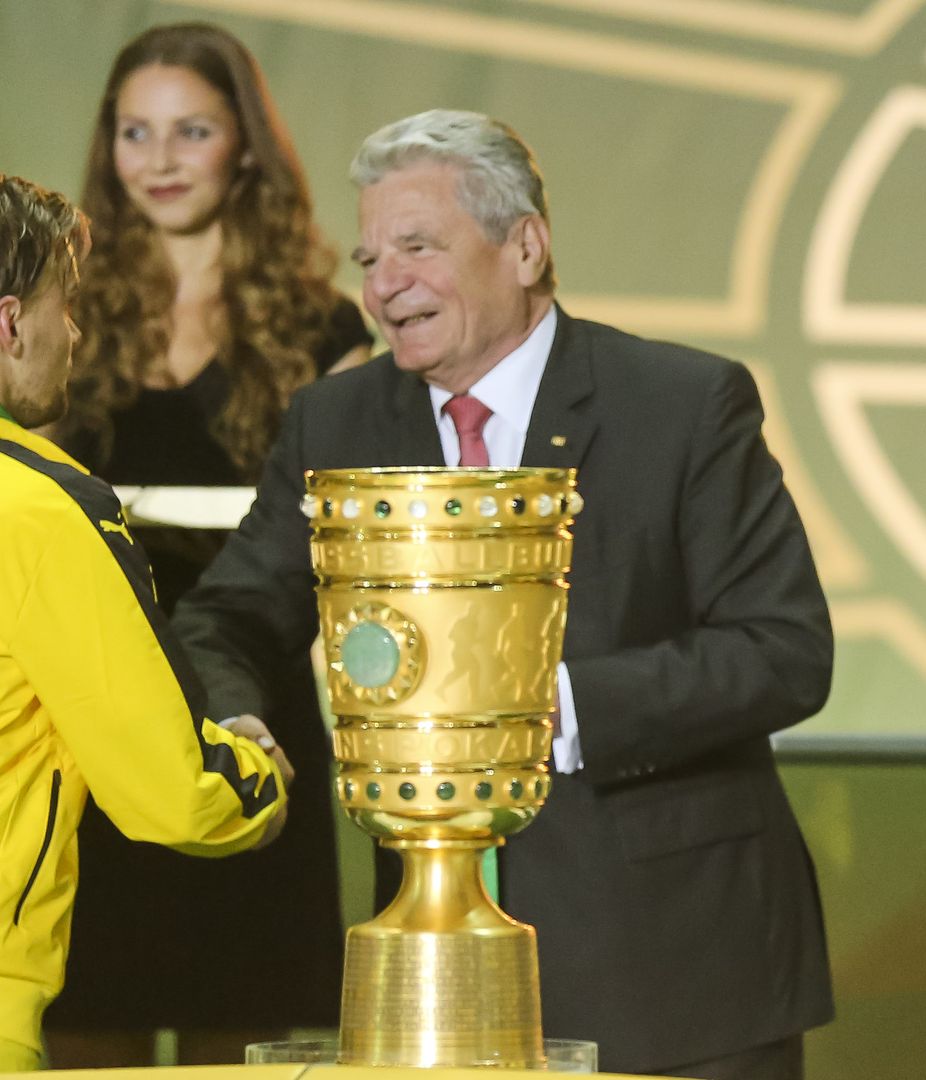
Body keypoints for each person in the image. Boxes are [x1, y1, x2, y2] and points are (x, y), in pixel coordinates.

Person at [168, 109, 834, 1080]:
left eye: (417, 247)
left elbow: (782, 650)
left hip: (675, 974)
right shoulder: (336, 422)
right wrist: (235, 718)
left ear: (524, 247)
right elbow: (229, 616)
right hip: (434, 992)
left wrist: (537, 713)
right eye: (369, 257)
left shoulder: (680, 405)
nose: (383, 284)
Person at [44, 24, 368, 1062]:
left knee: (249, 1033)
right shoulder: (62, 321)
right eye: (136, 132)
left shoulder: (325, 331)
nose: (162, 158)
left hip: (254, 721)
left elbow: (347, 542)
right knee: (95, 1028)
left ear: (244, 149)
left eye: (192, 130)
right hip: (101, 731)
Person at [0, 172, 291, 1074]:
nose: (75, 333)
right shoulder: (40, 511)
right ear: (9, 324)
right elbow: (175, 794)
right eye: (68, 304)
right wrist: (258, 777)